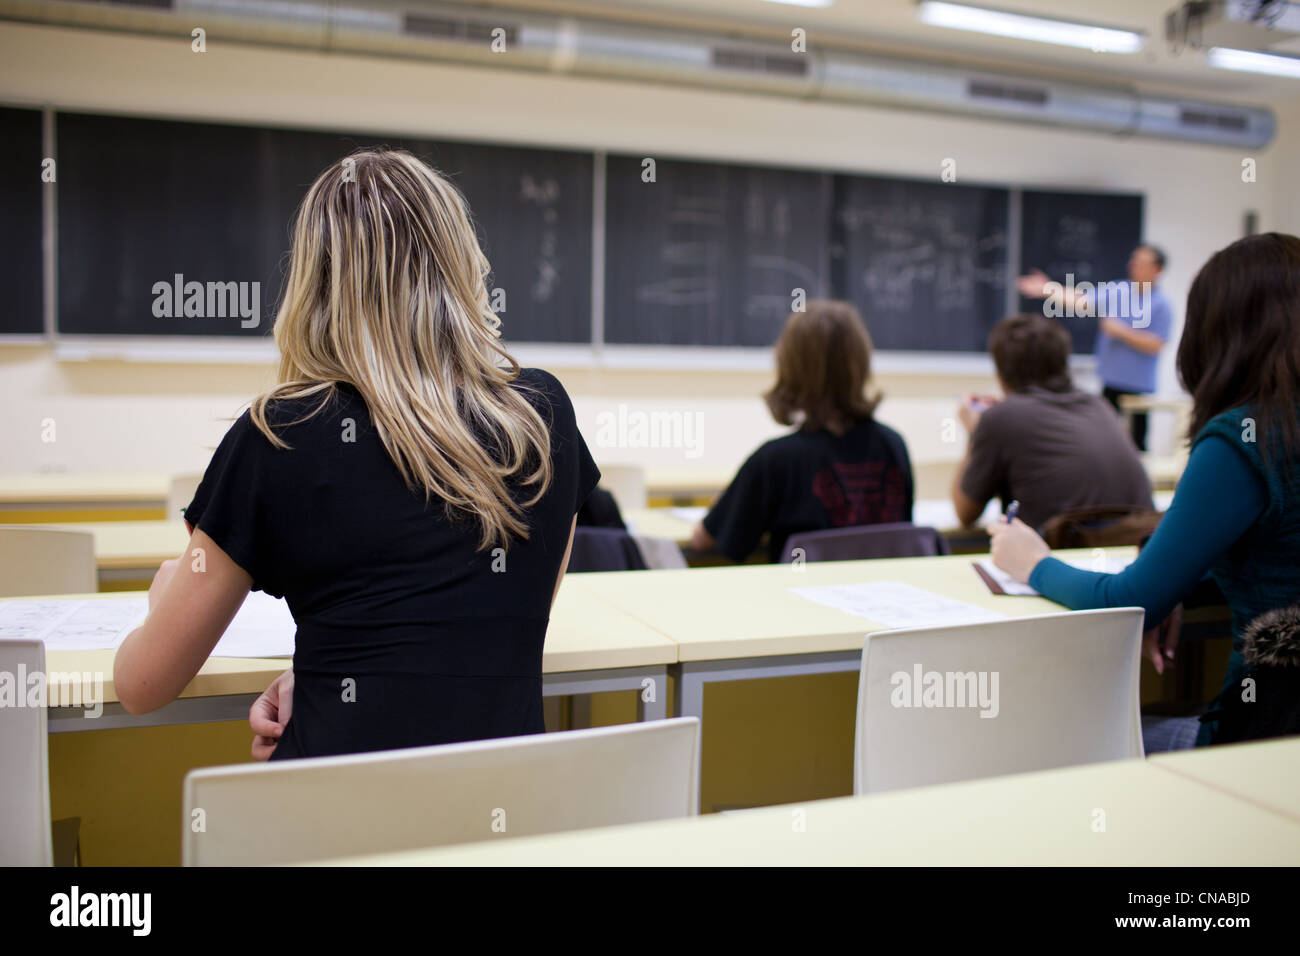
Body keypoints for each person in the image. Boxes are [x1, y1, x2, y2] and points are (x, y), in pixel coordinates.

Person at [113, 150, 599, 760]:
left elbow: (140, 687)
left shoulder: (281, 434)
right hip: (507, 819)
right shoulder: (540, 415)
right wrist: (332, 680)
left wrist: (164, 599)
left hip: (330, 827)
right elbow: (484, 628)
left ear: (315, 285)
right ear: (463, 263)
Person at [990, 233, 1300, 749]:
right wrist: (1179, 579)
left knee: (1069, 741)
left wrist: (1032, 562)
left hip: (1263, 740)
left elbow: (1130, 601)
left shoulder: (1244, 440)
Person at [691, 300, 913, 563]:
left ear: (790, 367)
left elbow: (704, 540)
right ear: (862, 361)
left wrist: (726, 508)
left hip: (798, 599)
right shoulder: (893, 446)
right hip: (883, 596)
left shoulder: (775, 461)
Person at [952, 313, 1153, 531]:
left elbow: (965, 513)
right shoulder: (1100, 406)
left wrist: (975, 433)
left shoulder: (1000, 419)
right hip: (1134, 552)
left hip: (1061, 556)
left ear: (1001, 372)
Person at [1018, 244, 1172, 450]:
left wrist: (1120, 331)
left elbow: (1156, 344)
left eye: (1141, 263)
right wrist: (1047, 288)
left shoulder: (1162, 305)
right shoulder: (1119, 291)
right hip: (1110, 382)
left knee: (1135, 446)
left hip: (1138, 389)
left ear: (1157, 269)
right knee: (1105, 441)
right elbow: (1082, 300)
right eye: (1133, 261)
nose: (1133, 266)